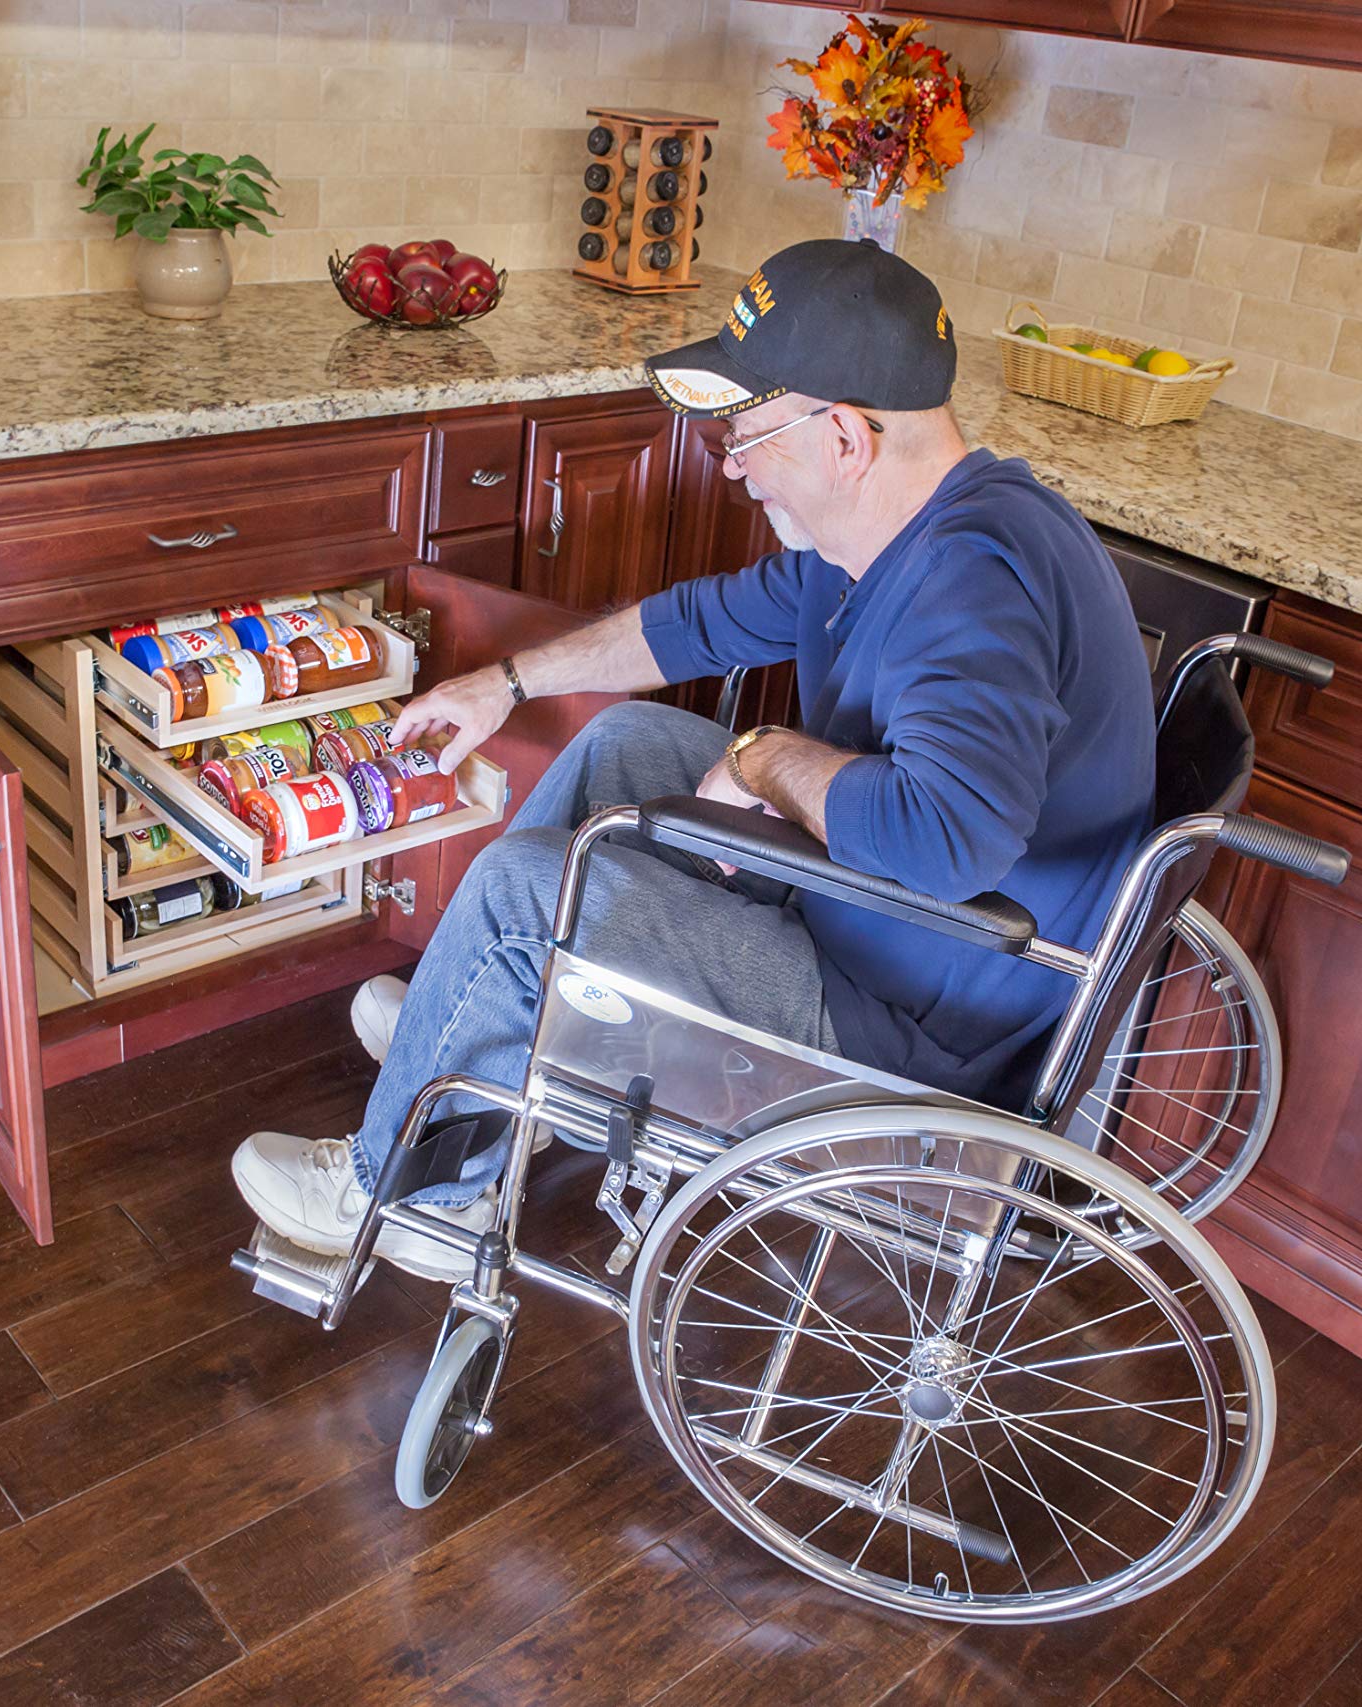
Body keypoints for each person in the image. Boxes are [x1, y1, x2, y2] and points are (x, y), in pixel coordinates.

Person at [232, 238, 1155, 1278]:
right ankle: (487, 1039)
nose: (728, 460)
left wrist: (764, 760)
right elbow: (694, 626)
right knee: (628, 741)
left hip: (910, 1021)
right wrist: (505, 684)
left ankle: (404, 1196)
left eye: (747, 431)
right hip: (890, 930)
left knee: (523, 891)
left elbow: (949, 843)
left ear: (845, 435)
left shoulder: (970, 588)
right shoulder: (906, 528)